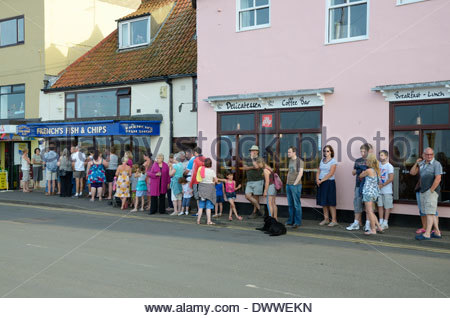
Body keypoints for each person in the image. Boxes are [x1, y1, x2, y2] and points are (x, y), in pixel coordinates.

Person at [410, 147, 442, 240]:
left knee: (429, 213)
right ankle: (437, 232)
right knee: (432, 212)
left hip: (431, 191)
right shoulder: (422, 163)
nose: (429, 156)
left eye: (431, 154)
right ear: (424, 155)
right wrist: (416, 162)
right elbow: (412, 172)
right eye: (427, 154)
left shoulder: (436, 164)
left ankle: (427, 234)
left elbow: (438, 178)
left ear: (433, 155)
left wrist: (431, 190)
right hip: (423, 191)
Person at [346, 144, 369, 231]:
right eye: (361, 151)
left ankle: (368, 223)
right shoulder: (358, 160)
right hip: (358, 185)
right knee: (357, 204)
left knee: (368, 206)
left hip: (368, 186)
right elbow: (353, 172)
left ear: (368, 151)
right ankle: (356, 223)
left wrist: (361, 170)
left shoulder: (371, 161)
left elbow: (370, 172)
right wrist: (360, 169)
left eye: (364, 151)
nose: (362, 153)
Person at [359, 154, 383, 235]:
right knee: (371, 211)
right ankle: (379, 227)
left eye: (366, 161)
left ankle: (373, 229)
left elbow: (360, 175)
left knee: (369, 212)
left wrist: (362, 172)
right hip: (374, 193)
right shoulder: (377, 171)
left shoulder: (369, 170)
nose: (365, 162)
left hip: (368, 193)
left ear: (369, 161)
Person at [317, 145, 338, 227]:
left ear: (331, 152)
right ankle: (326, 219)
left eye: (328, 151)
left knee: (331, 202)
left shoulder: (333, 161)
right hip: (321, 183)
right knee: (324, 202)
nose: (326, 152)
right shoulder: (322, 160)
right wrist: (317, 179)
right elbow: (318, 170)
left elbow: (331, 173)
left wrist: (321, 180)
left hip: (329, 183)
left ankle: (334, 220)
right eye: (325, 151)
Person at [243, 145, 265, 218]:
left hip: (258, 180)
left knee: (256, 197)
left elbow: (257, 167)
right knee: (247, 196)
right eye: (251, 150)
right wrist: (252, 167)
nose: (252, 152)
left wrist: (252, 159)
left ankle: (254, 213)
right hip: (249, 180)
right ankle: (259, 207)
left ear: (257, 151)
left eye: (254, 150)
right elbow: (245, 168)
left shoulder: (260, 159)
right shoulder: (246, 158)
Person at [285, 146, 304, 228]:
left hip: (295, 185)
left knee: (296, 204)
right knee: (290, 204)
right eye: (288, 152)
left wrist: (295, 183)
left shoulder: (299, 161)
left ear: (294, 152)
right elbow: (289, 172)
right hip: (288, 185)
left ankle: (297, 222)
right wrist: (287, 182)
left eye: (289, 152)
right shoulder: (290, 160)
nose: (288, 153)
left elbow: (300, 173)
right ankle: (290, 220)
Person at [197, 158, 217, 225]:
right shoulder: (212, 171)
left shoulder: (201, 170)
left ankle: (198, 220)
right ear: (210, 164)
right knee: (208, 207)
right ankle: (209, 221)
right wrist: (214, 182)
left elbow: (199, 179)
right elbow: (216, 180)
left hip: (202, 189)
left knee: (201, 206)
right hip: (209, 190)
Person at [378, 150, 394, 230]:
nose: (381, 157)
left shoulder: (389, 166)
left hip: (387, 190)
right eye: (380, 155)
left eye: (382, 155)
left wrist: (382, 185)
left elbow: (391, 178)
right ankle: (380, 221)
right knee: (380, 205)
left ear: (386, 156)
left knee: (387, 206)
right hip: (379, 190)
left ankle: (385, 222)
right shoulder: (378, 165)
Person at [189, 147, 205, 213]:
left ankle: (199, 211)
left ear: (195, 152)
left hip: (197, 181)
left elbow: (194, 172)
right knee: (203, 196)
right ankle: (204, 210)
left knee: (197, 197)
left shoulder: (195, 160)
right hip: (204, 181)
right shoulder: (205, 159)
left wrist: (191, 183)